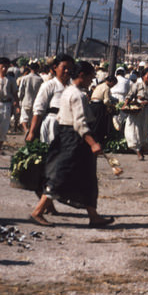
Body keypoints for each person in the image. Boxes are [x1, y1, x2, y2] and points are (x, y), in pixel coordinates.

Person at [29, 60, 114, 228]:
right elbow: (80, 123)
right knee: (61, 175)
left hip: (67, 136)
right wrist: (93, 144)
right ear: (82, 75)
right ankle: (38, 211)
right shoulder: (77, 95)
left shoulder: (69, 91)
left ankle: (93, 215)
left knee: (87, 178)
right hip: (74, 139)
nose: (92, 81)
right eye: (90, 77)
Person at [27, 54, 74, 145]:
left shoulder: (73, 87)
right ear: (55, 67)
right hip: (52, 123)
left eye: (70, 68)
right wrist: (32, 132)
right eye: (64, 68)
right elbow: (38, 110)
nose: (67, 71)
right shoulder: (48, 86)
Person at [16, 63, 44, 134]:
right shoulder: (40, 79)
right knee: (33, 119)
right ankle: (31, 132)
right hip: (36, 102)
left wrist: (20, 99)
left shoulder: (25, 78)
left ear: (30, 69)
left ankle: (26, 130)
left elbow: (21, 90)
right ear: (38, 69)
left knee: (24, 118)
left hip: (26, 101)